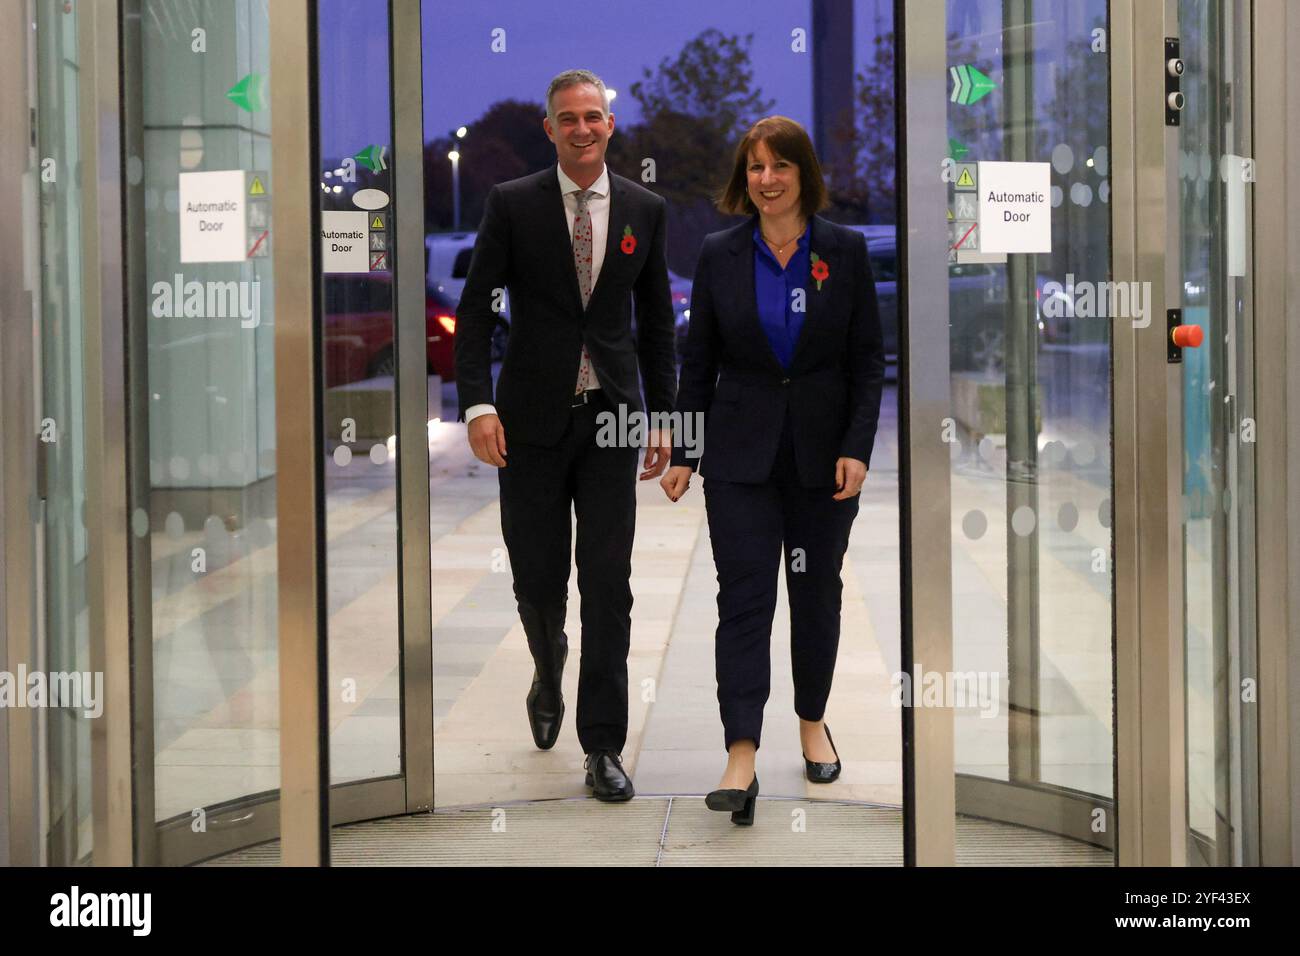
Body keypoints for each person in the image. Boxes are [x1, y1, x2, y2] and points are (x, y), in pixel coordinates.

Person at [454, 69, 677, 802]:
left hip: (612, 417)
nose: (583, 128)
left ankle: (603, 744)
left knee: (608, 586)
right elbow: (480, 310)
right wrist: (478, 406)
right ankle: (548, 666)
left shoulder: (645, 208)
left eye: (594, 117)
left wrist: (666, 416)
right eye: (568, 119)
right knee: (539, 577)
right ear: (549, 130)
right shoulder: (512, 204)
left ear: (610, 125)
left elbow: (654, 328)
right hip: (530, 423)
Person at [660, 116, 885, 825]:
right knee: (745, 599)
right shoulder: (721, 253)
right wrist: (686, 452)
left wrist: (857, 446)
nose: (767, 179)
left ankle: (812, 721)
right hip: (740, 460)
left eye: (780, 166)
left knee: (815, 595)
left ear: (802, 174)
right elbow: (697, 367)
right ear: (744, 178)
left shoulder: (843, 252)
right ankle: (742, 752)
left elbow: (865, 362)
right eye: (755, 167)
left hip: (823, 463)